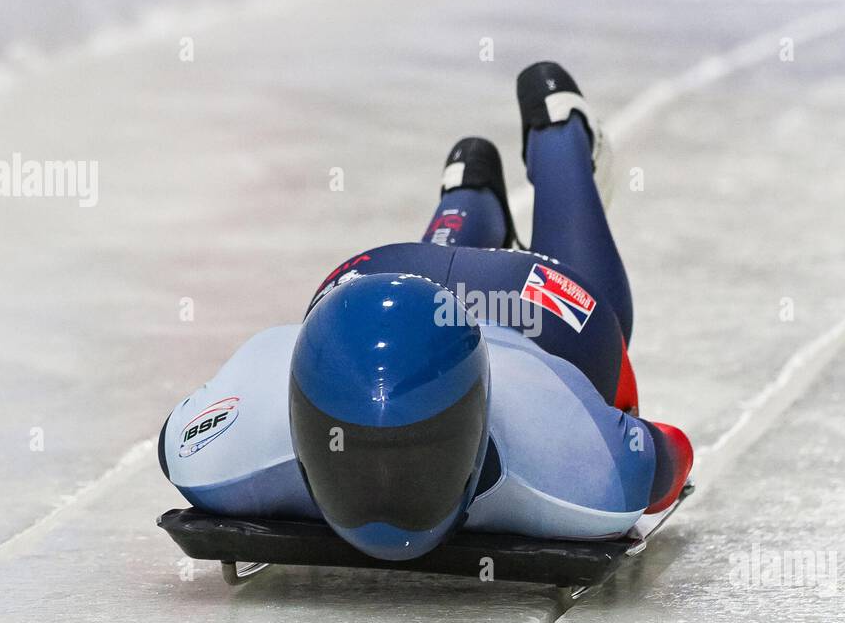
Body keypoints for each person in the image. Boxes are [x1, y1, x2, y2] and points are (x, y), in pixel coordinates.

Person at [158, 62, 693, 561]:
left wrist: (624, 435)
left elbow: (662, 459)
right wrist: (639, 448)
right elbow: (668, 457)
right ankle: (500, 171)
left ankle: (553, 149)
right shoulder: (581, 471)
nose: (383, 496)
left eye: (418, 456)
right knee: (597, 340)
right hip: (424, 283)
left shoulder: (564, 450)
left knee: (607, 336)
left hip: (514, 309)